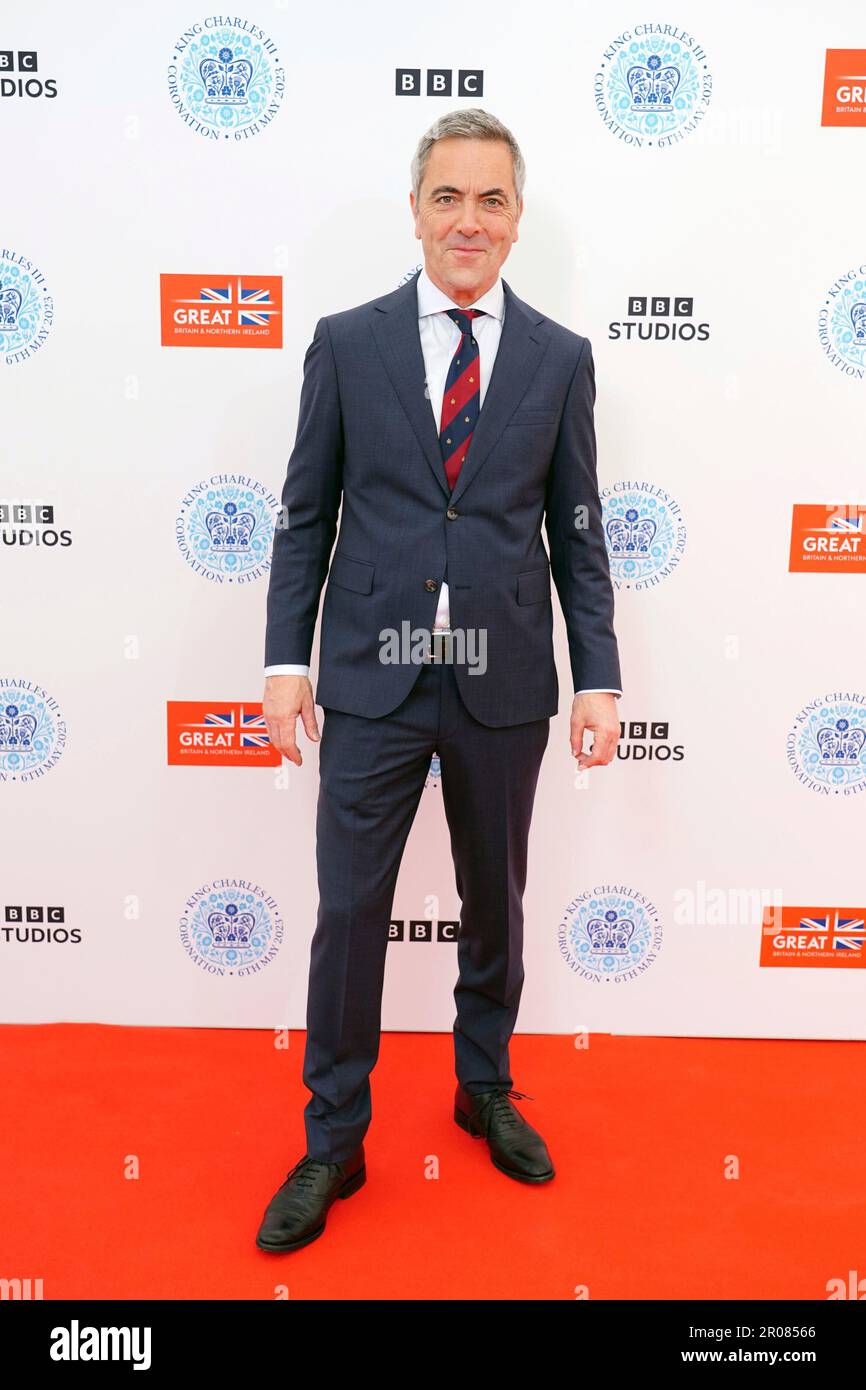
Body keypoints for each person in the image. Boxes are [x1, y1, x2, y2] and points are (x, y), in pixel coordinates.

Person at [256, 108, 622, 1253]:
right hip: (371, 673)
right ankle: (332, 1138)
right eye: (449, 197)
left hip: (500, 674)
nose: (469, 220)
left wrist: (597, 675)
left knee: (493, 906)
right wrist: (285, 659)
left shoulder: (560, 359)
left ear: (516, 221)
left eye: (492, 199)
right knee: (350, 910)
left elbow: (577, 528)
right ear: (414, 211)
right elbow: (305, 512)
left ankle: (483, 1086)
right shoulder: (347, 342)